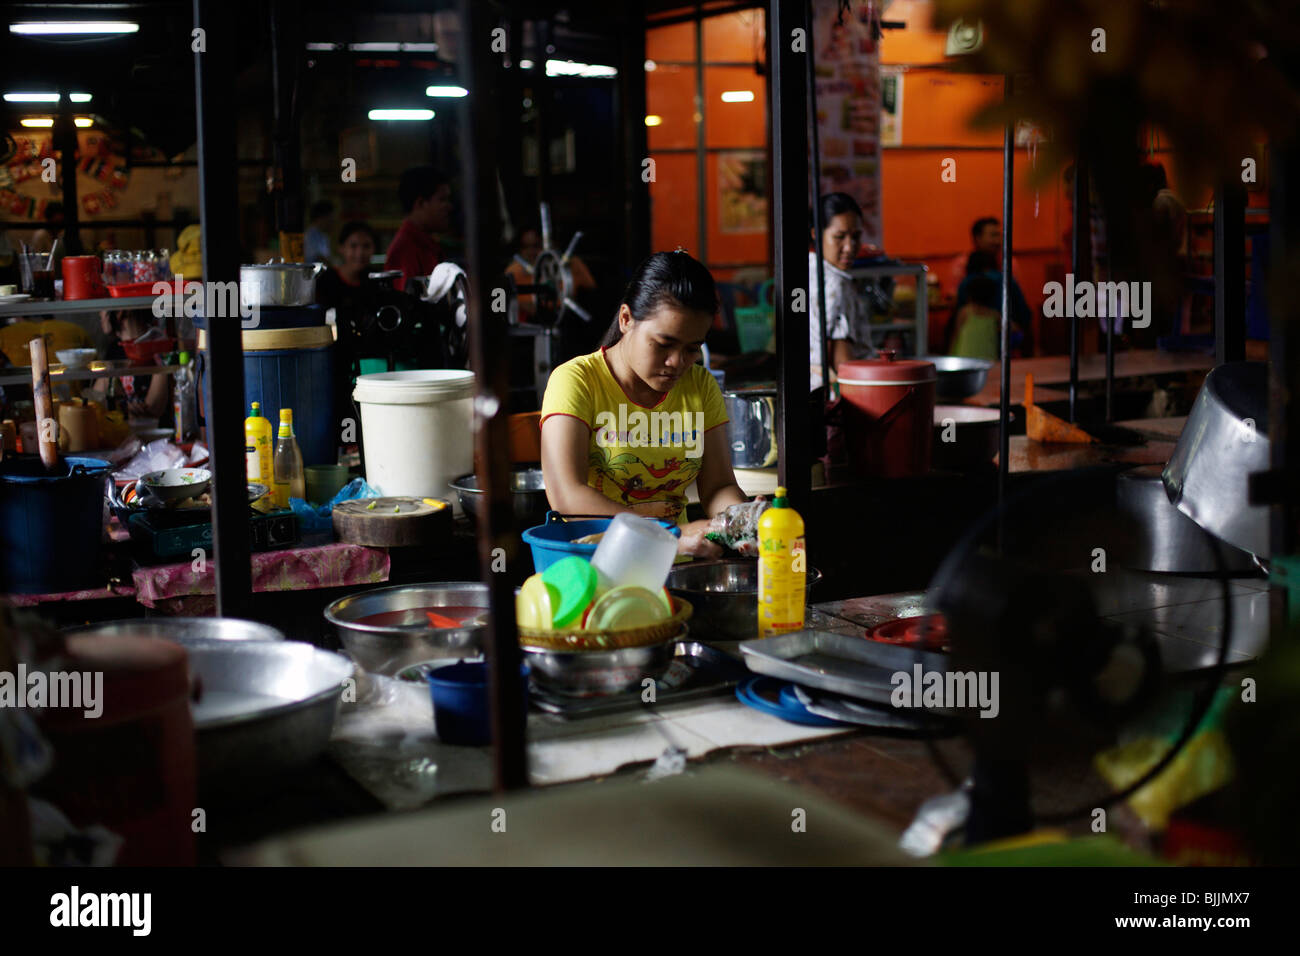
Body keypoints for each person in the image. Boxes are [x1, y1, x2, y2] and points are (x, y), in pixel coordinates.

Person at [539, 250, 749, 558]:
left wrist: (742, 519)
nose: (677, 362)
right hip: (595, 567)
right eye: (664, 344)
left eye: (692, 349)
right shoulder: (577, 381)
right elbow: (566, 495)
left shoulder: (700, 385)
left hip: (675, 563)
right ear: (626, 319)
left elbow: (717, 485)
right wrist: (669, 536)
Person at [809, 192, 871, 391]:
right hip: (831, 392)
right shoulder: (836, 283)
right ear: (816, 234)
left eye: (856, 236)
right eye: (839, 237)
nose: (849, 247)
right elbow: (842, 358)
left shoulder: (807, 269)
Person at [504, 223, 596, 322]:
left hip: (569, 321)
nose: (531, 252)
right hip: (532, 324)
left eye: (536, 246)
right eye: (525, 247)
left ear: (551, 244)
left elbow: (591, 294)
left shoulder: (572, 265)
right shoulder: (513, 272)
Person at [948, 250, 1033, 356]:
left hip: (965, 357)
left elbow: (955, 335)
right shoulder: (995, 314)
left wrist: (951, 355)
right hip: (990, 358)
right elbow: (1018, 326)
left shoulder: (965, 311)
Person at [385, 166, 452, 290]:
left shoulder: (426, 244)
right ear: (420, 203)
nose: (449, 207)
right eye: (442, 200)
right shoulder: (405, 249)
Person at [98, 310, 170, 419]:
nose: (100, 315)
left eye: (102, 310)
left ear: (119, 312)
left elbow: (153, 409)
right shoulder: (114, 349)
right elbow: (95, 400)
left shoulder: (158, 346)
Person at [333, 221, 378, 287]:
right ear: (341, 248)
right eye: (353, 246)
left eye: (366, 246)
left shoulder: (377, 281)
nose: (360, 253)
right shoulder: (325, 281)